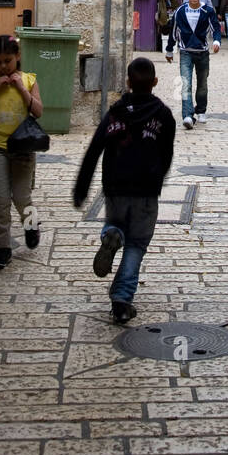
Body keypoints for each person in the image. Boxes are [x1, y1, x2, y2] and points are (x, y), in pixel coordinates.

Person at [73, 57, 175, 323]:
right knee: (137, 244)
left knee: (117, 224)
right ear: (155, 82)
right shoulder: (163, 115)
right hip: (146, 190)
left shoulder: (115, 112)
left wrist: (81, 188)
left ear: (128, 82)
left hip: (116, 188)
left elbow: (94, 149)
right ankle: (121, 299)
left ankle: (111, 233)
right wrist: (158, 177)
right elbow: (167, 153)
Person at [0, 33, 44, 270]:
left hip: (23, 149)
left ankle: (31, 224)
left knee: (22, 197)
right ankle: (2, 248)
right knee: (1, 200)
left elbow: (38, 111)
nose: (4, 66)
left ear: (18, 57)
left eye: (8, 61)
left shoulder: (29, 80)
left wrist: (21, 89)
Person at [166, 0, 221, 128]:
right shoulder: (180, 12)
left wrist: (217, 41)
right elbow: (173, 31)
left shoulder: (207, 11)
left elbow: (215, 27)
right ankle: (188, 116)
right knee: (185, 84)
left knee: (202, 84)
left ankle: (201, 110)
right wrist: (169, 49)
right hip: (185, 52)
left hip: (202, 52)